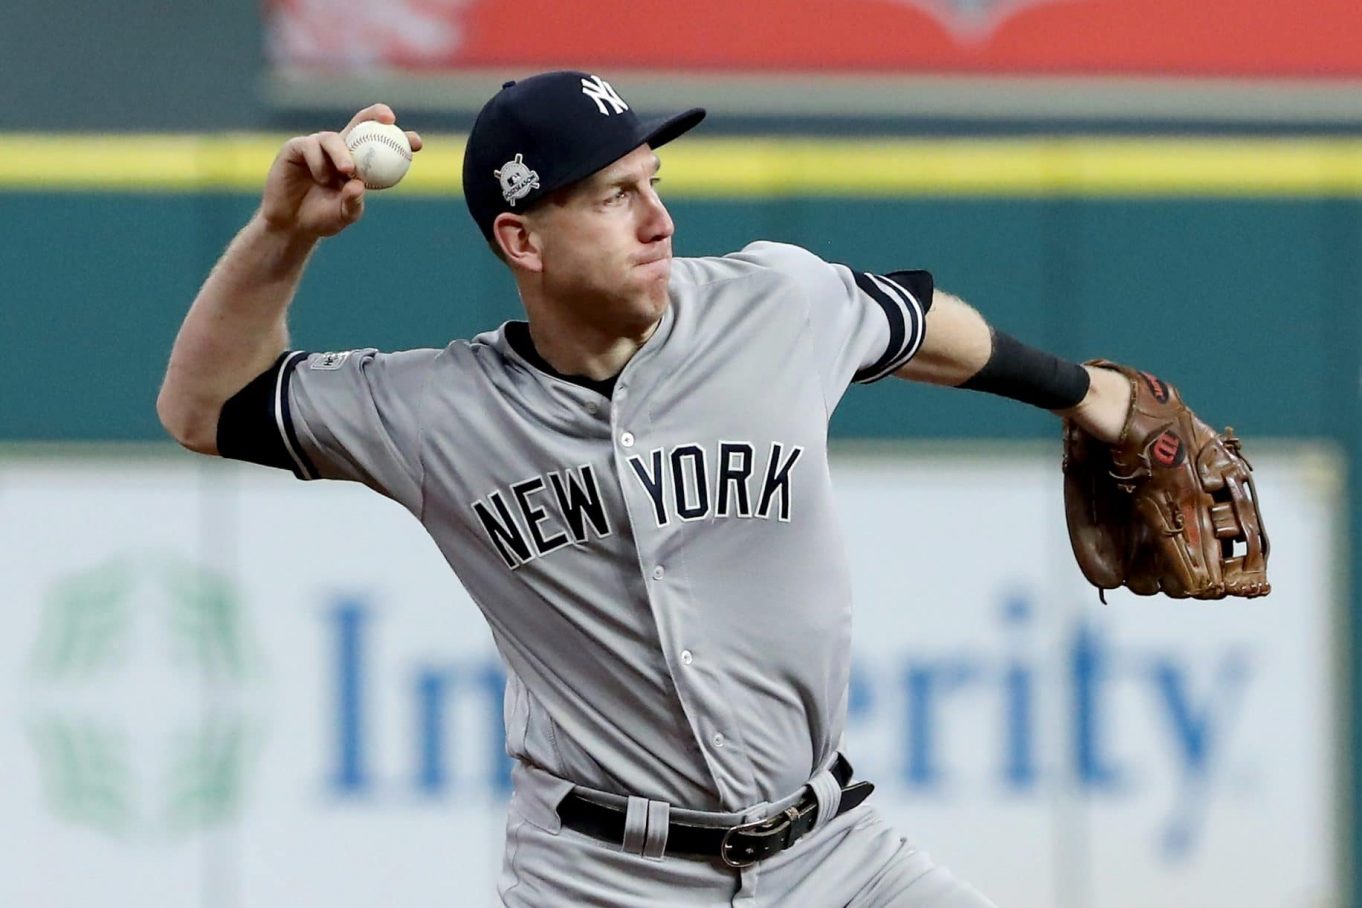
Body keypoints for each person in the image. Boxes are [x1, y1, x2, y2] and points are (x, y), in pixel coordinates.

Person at [158, 72, 1133, 907]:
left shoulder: (772, 302)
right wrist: (282, 234)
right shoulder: (436, 411)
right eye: (614, 195)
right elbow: (204, 407)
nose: (659, 219)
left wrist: (1086, 395)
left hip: (835, 856)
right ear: (524, 241)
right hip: (604, 875)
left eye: (653, 181)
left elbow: (911, 319)